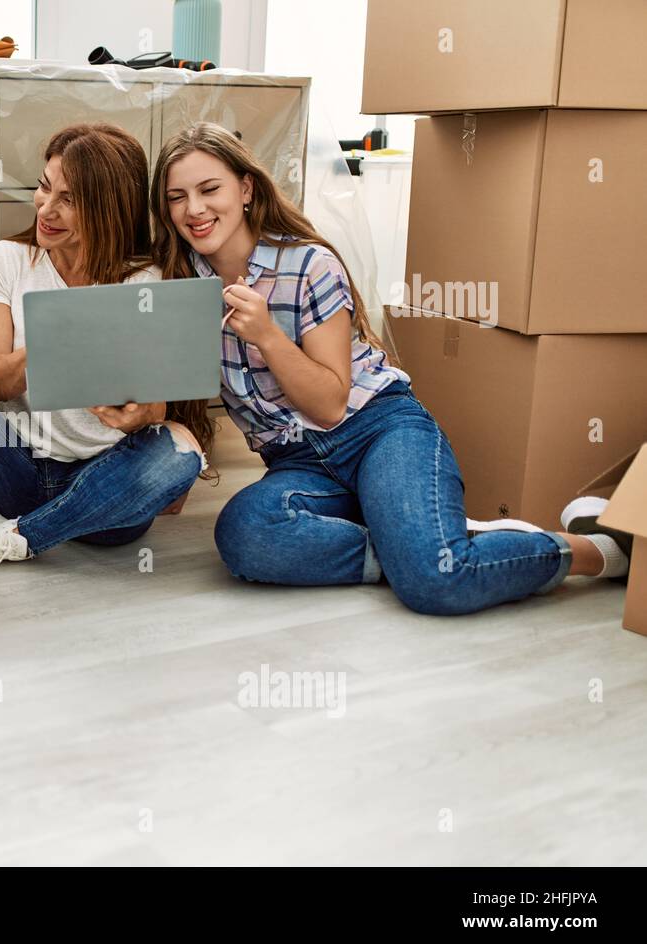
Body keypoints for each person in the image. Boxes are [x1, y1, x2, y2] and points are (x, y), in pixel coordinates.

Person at [150, 122, 631, 615]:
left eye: (210, 189)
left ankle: (601, 549)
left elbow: (333, 404)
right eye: (176, 197)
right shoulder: (177, 284)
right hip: (298, 464)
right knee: (246, 534)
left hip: (378, 431)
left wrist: (269, 335)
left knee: (438, 584)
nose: (194, 209)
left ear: (246, 188)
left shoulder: (309, 265)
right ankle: (416, 546)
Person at [0, 124, 211, 642]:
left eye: (70, 200)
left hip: (101, 487)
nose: (46, 208)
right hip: (7, 467)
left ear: (110, 207)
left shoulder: (149, 279)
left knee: (182, 449)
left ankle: (15, 539)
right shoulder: (3, 261)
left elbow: (155, 408)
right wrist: (65, 331)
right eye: (45, 186)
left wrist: (138, 414)